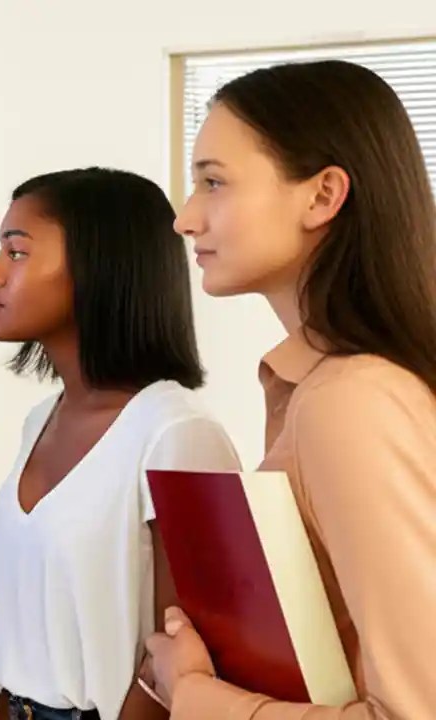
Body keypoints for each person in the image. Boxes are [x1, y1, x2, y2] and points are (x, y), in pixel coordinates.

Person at [144, 60, 436, 718]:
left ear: (322, 196)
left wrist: (193, 694)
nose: (185, 220)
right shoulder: (333, 387)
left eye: (213, 182)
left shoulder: (351, 401)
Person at [0, 167, 241, 720]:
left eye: (17, 252)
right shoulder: (40, 421)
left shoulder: (175, 433)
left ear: (99, 269)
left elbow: (188, 659)